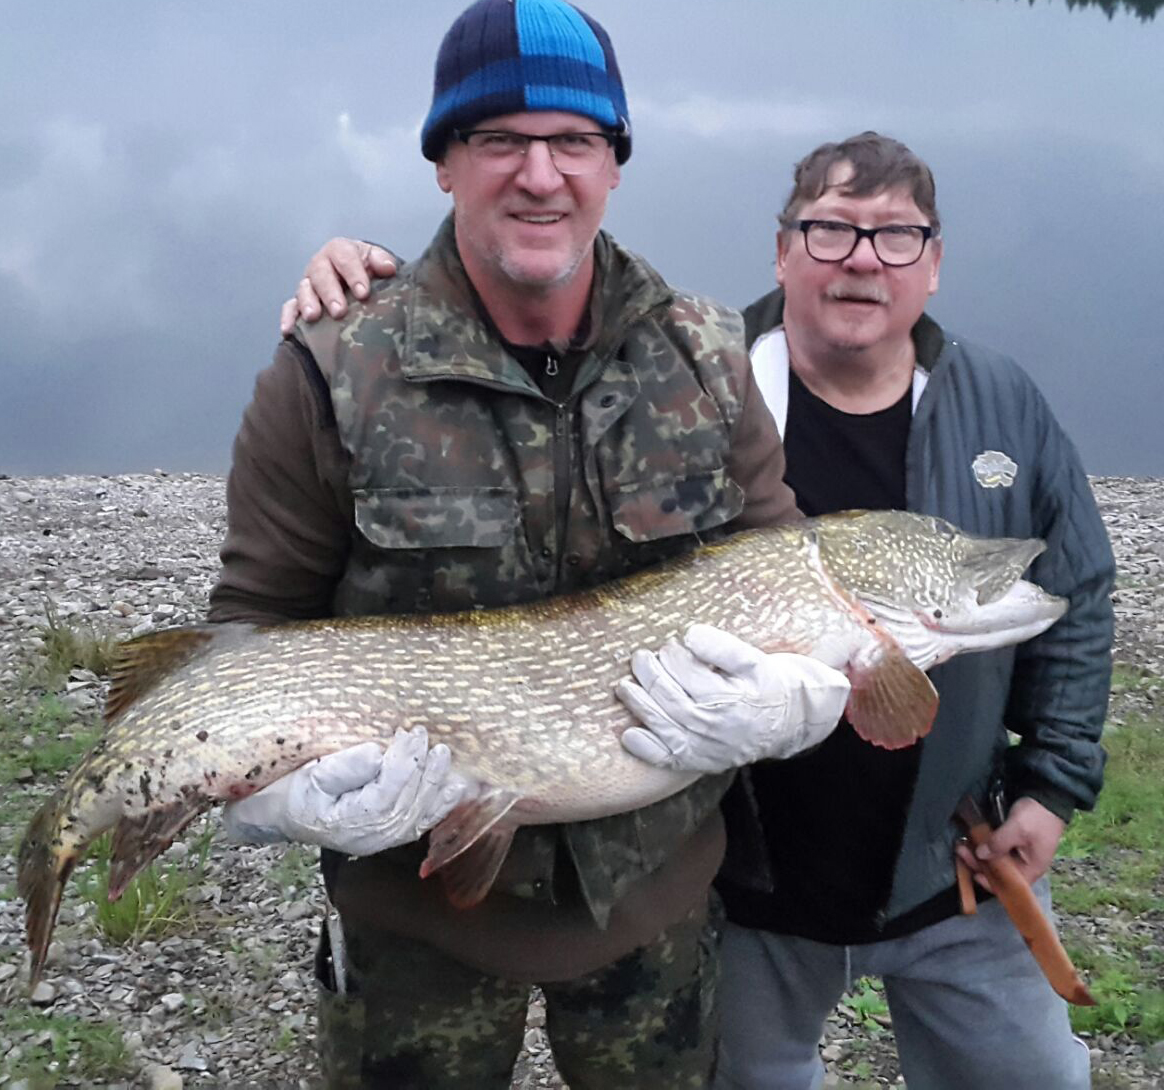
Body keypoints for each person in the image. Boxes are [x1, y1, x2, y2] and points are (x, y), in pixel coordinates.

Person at [291, 130, 1115, 1089]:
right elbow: (535, 343)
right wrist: (361, 285)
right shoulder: (691, 378)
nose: (859, 258)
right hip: (750, 892)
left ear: (932, 264)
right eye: (829, 230)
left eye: (894, 237)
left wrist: (1051, 784)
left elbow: (1077, 593)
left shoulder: (1002, 406)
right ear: (779, 249)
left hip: (954, 872)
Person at [210, 0, 850, 1090]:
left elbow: (781, 560)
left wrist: (801, 696)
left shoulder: (703, 354)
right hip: (413, 917)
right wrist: (269, 788)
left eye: (572, 139)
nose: (539, 173)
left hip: (655, 903)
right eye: (498, 137)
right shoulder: (332, 365)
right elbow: (253, 623)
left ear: (614, 161)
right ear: (443, 161)